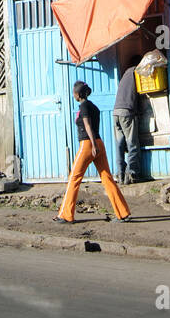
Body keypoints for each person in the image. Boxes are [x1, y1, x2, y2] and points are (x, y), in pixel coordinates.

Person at [56, 81, 132, 224]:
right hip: (99, 143)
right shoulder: (94, 107)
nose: (73, 95)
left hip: (88, 144)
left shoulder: (84, 106)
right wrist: (96, 144)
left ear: (78, 94)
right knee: (107, 178)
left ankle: (66, 215)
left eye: (74, 93)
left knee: (74, 178)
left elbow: (87, 125)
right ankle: (123, 213)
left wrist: (91, 144)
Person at [113, 54, 149, 184]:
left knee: (119, 145)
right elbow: (140, 93)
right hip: (127, 112)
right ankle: (133, 174)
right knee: (132, 142)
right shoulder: (136, 72)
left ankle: (120, 174)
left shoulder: (125, 74)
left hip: (116, 112)